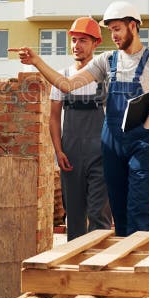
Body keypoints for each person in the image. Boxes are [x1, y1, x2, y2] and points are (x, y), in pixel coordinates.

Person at [10, 1, 149, 236]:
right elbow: (66, 85)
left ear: (133, 26)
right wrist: (37, 61)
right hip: (112, 145)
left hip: (142, 143)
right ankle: (120, 263)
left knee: (139, 206)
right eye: (110, 30)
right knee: (118, 211)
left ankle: (136, 263)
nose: (114, 36)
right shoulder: (106, 61)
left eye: (117, 29)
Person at [49, 17, 112, 240]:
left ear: (96, 44)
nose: (77, 45)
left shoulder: (104, 78)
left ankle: (98, 265)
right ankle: (74, 267)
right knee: (74, 216)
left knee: (99, 213)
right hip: (71, 153)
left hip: (100, 152)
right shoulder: (61, 77)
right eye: (74, 40)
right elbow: (54, 117)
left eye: (83, 40)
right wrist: (58, 151)